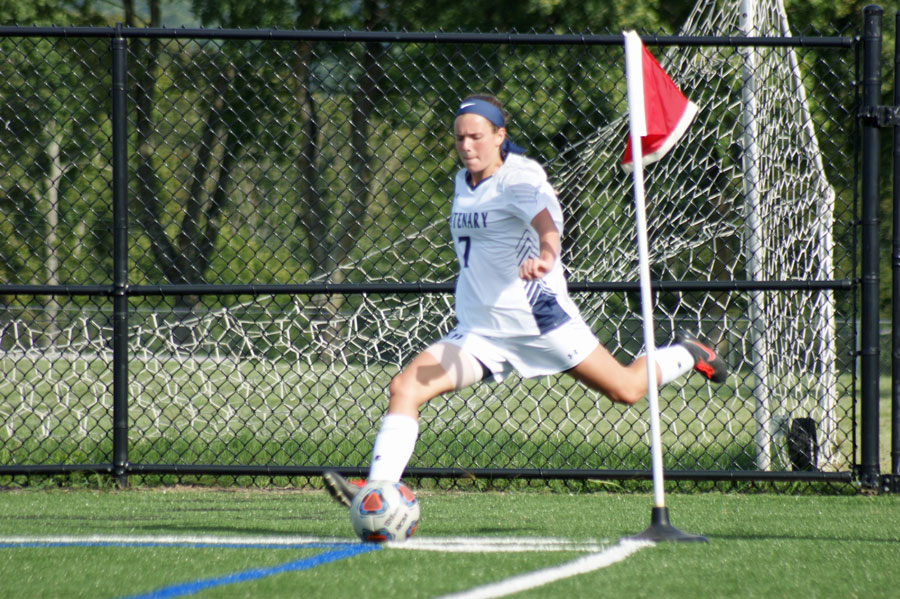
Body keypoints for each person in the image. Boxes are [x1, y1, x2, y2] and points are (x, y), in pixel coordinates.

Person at [323, 94, 726, 506]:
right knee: (404, 387)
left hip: (538, 323)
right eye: (460, 138)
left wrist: (548, 254)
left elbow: (546, 224)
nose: (466, 146)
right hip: (480, 332)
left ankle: (687, 353)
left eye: (477, 137)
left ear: (500, 135)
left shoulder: (519, 178)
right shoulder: (463, 180)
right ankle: (377, 490)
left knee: (625, 389)